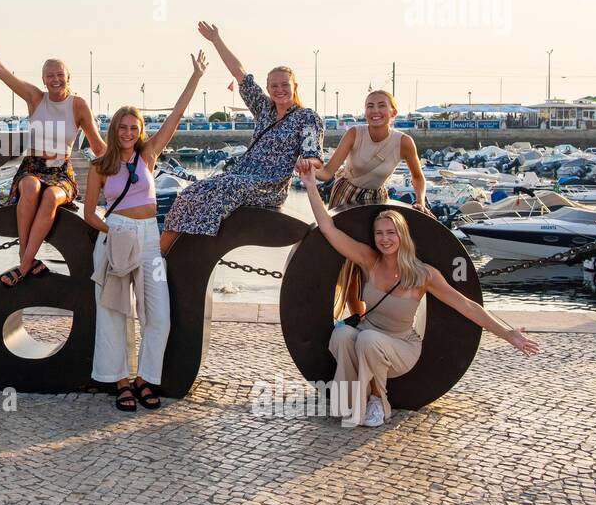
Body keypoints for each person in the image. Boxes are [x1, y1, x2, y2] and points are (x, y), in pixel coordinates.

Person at [300, 166, 539, 427]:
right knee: (343, 334)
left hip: (401, 346)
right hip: (367, 336)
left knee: (367, 339)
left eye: (391, 233)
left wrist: (508, 334)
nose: (385, 239)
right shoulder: (369, 261)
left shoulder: (422, 274)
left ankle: (379, 402)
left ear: (402, 236)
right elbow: (328, 229)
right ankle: (350, 400)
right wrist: (311, 185)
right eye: (379, 233)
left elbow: (466, 305)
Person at [85, 51, 209, 411]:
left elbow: (175, 117)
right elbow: (89, 211)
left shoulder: (148, 155)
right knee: (113, 313)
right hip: (116, 238)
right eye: (122, 127)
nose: (128, 133)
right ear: (114, 130)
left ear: (140, 131)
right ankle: (121, 382)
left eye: (133, 127)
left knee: (159, 314)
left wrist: (196, 77)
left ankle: (145, 378)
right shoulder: (100, 165)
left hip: (150, 240)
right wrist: (112, 229)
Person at [0, 16, 104, 287]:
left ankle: (23, 265)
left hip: (60, 172)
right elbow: (0, 71)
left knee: (51, 198)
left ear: (68, 77)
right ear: (43, 79)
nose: (55, 79)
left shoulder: (78, 106)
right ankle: (27, 260)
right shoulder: (35, 98)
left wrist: (131, 160)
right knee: (30, 188)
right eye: (50, 75)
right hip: (32, 166)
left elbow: (98, 145)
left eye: (60, 74)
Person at [160, 22, 323, 254]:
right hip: (241, 175)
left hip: (269, 185)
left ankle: (180, 247)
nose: (279, 90)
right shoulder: (264, 108)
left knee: (227, 185)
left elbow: (313, 155)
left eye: (284, 85)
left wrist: (306, 164)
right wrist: (216, 40)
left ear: (294, 86)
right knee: (191, 192)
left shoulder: (307, 117)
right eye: (273, 85)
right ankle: (162, 254)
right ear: (267, 87)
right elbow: (239, 73)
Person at [311, 89, 432, 315]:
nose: (375, 111)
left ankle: (380, 313)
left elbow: (417, 176)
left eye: (381, 106)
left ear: (393, 112)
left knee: (374, 259)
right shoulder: (354, 134)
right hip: (345, 197)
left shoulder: (404, 142)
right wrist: (309, 170)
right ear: (365, 112)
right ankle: (357, 316)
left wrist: (420, 202)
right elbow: (327, 172)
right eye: (370, 106)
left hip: (376, 200)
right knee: (346, 260)